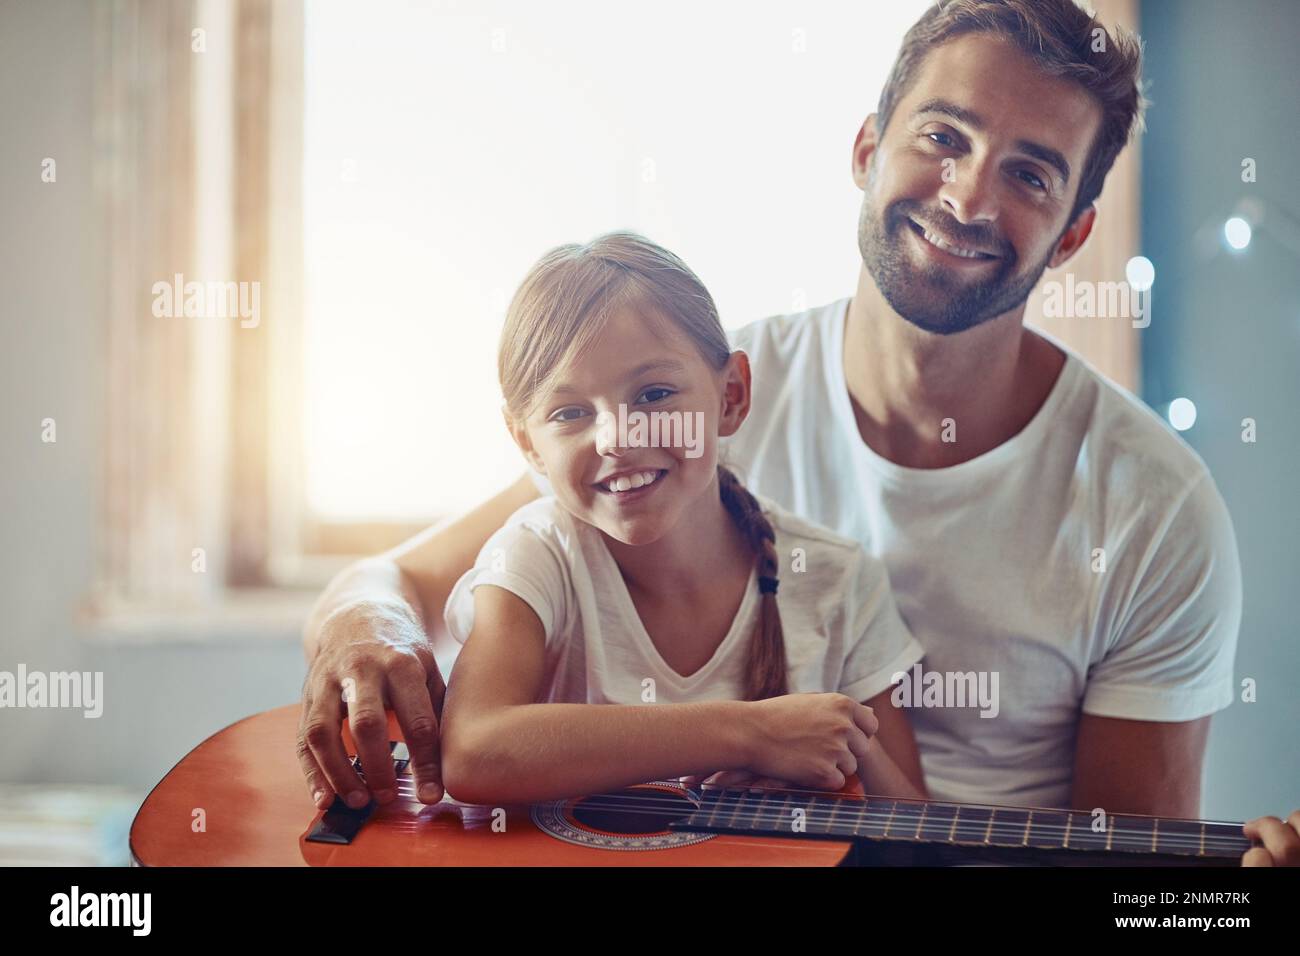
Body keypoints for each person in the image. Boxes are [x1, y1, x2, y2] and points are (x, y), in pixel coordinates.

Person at [298, 0, 1298, 865]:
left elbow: (1132, 878)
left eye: (1030, 174)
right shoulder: (682, 402)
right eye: (942, 136)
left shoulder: (1152, 507)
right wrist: (364, 620)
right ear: (866, 149)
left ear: (1073, 233)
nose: (967, 195)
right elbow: (400, 582)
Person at [436, 232, 927, 804]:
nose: (618, 438)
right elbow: (472, 750)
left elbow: (915, 830)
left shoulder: (840, 581)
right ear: (529, 446)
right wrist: (749, 735)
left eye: (653, 394)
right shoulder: (537, 554)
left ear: (732, 395)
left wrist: (848, 751)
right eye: (570, 412)